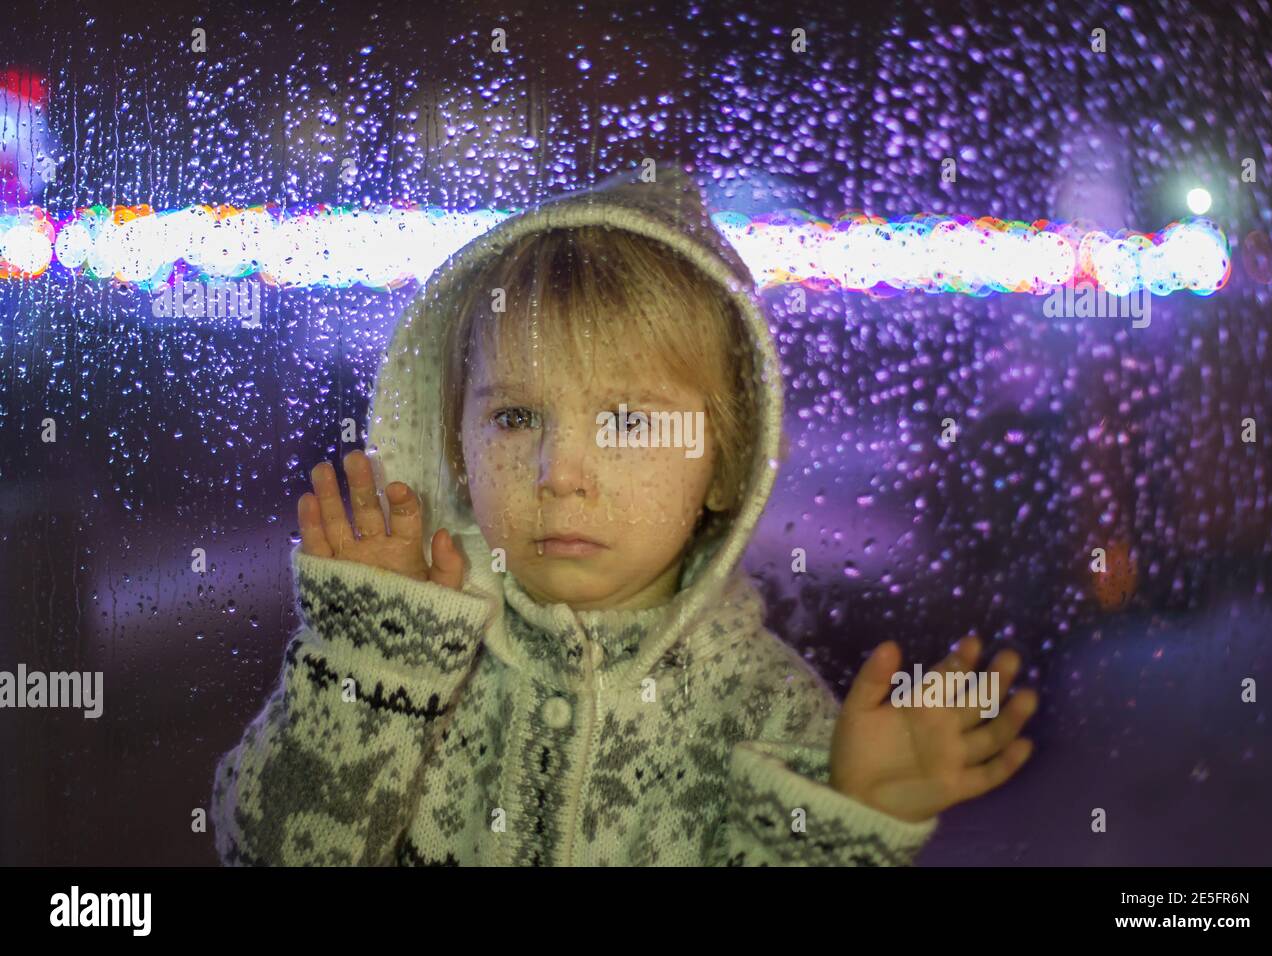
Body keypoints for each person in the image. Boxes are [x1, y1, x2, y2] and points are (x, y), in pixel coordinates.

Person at [211, 164, 1037, 865]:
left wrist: (844, 814)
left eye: (630, 423)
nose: (560, 474)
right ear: (455, 446)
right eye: (516, 418)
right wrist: (368, 663)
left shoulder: (773, 719)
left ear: (726, 464)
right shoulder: (410, 652)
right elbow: (262, 848)